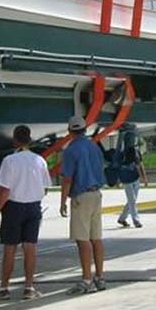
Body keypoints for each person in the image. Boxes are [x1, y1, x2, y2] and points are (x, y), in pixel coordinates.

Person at [0, 124, 51, 301]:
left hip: (14, 208)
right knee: (30, 247)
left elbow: (4, 190)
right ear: (29, 140)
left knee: (10, 248)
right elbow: (45, 188)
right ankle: (29, 287)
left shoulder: (9, 160)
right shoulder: (40, 160)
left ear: (15, 140)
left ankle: (4, 287)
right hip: (33, 207)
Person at [59, 114, 107, 294]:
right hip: (96, 194)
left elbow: (67, 178)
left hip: (81, 195)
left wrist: (63, 201)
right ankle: (100, 277)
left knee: (82, 239)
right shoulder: (94, 147)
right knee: (96, 238)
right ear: (85, 129)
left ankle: (86, 279)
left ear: (70, 131)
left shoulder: (71, 150)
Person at [116, 125, 149, 228]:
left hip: (135, 179)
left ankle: (122, 218)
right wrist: (118, 180)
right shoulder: (122, 153)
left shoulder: (136, 152)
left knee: (132, 200)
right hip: (127, 180)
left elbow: (140, 165)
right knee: (132, 200)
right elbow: (118, 167)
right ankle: (136, 220)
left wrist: (144, 178)